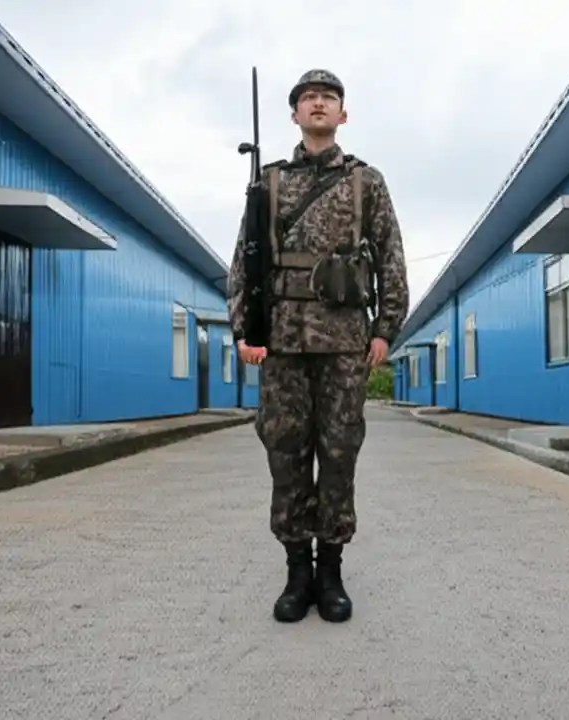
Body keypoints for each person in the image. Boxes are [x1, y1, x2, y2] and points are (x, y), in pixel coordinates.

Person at [226, 69, 409, 623]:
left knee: (338, 453)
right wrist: (244, 331)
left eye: (329, 98)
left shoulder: (364, 181)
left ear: (343, 114)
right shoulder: (270, 181)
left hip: (344, 341)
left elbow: (391, 254)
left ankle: (330, 570)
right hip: (281, 342)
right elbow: (245, 261)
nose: (319, 104)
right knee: (285, 452)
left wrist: (385, 329)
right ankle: (296, 571)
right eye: (309, 98)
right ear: (296, 115)